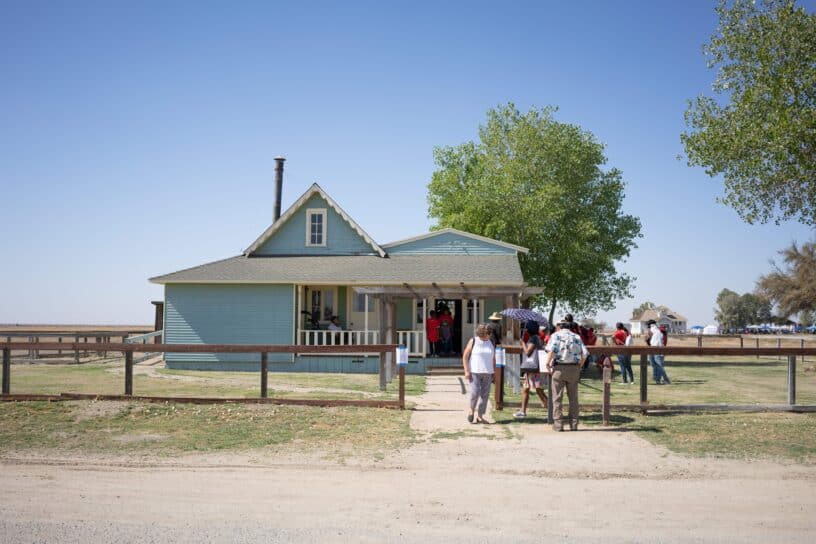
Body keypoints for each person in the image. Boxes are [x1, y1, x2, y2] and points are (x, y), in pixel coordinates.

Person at [545, 318, 589, 432]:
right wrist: (579, 366)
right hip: (573, 368)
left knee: (557, 397)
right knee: (573, 398)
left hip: (559, 368)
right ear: (570, 327)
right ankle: (574, 424)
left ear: (560, 326)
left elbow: (552, 350)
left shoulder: (556, 335)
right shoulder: (577, 337)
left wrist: (547, 363)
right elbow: (585, 353)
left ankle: (559, 424)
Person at [462, 323, 496, 424]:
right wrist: (466, 370)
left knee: (485, 395)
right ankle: (471, 410)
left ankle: (480, 416)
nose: (489, 335)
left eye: (489, 333)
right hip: (475, 371)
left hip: (488, 372)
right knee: (475, 393)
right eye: (487, 333)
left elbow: (493, 358)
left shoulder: (491, 342)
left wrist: (494, 371)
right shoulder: (473, 341)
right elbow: (465, 356)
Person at [514, 320, 548, 418]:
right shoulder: (537, 338)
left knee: (538, 390)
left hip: (533, 369)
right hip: (533, 369)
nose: (525, 330)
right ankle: (522, 411)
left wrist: (523, 343)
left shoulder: (533, 339)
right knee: (528, 389)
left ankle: (552, 409)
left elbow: (528, 352)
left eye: (526, 328)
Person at [647, 319, 671, 384]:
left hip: (657, 349)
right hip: (654, 349)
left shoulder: (655, 330)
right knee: (655, 366)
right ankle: (657, 380)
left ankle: (666, 380)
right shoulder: (656, 330)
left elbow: (652, 340)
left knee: (659, 366)